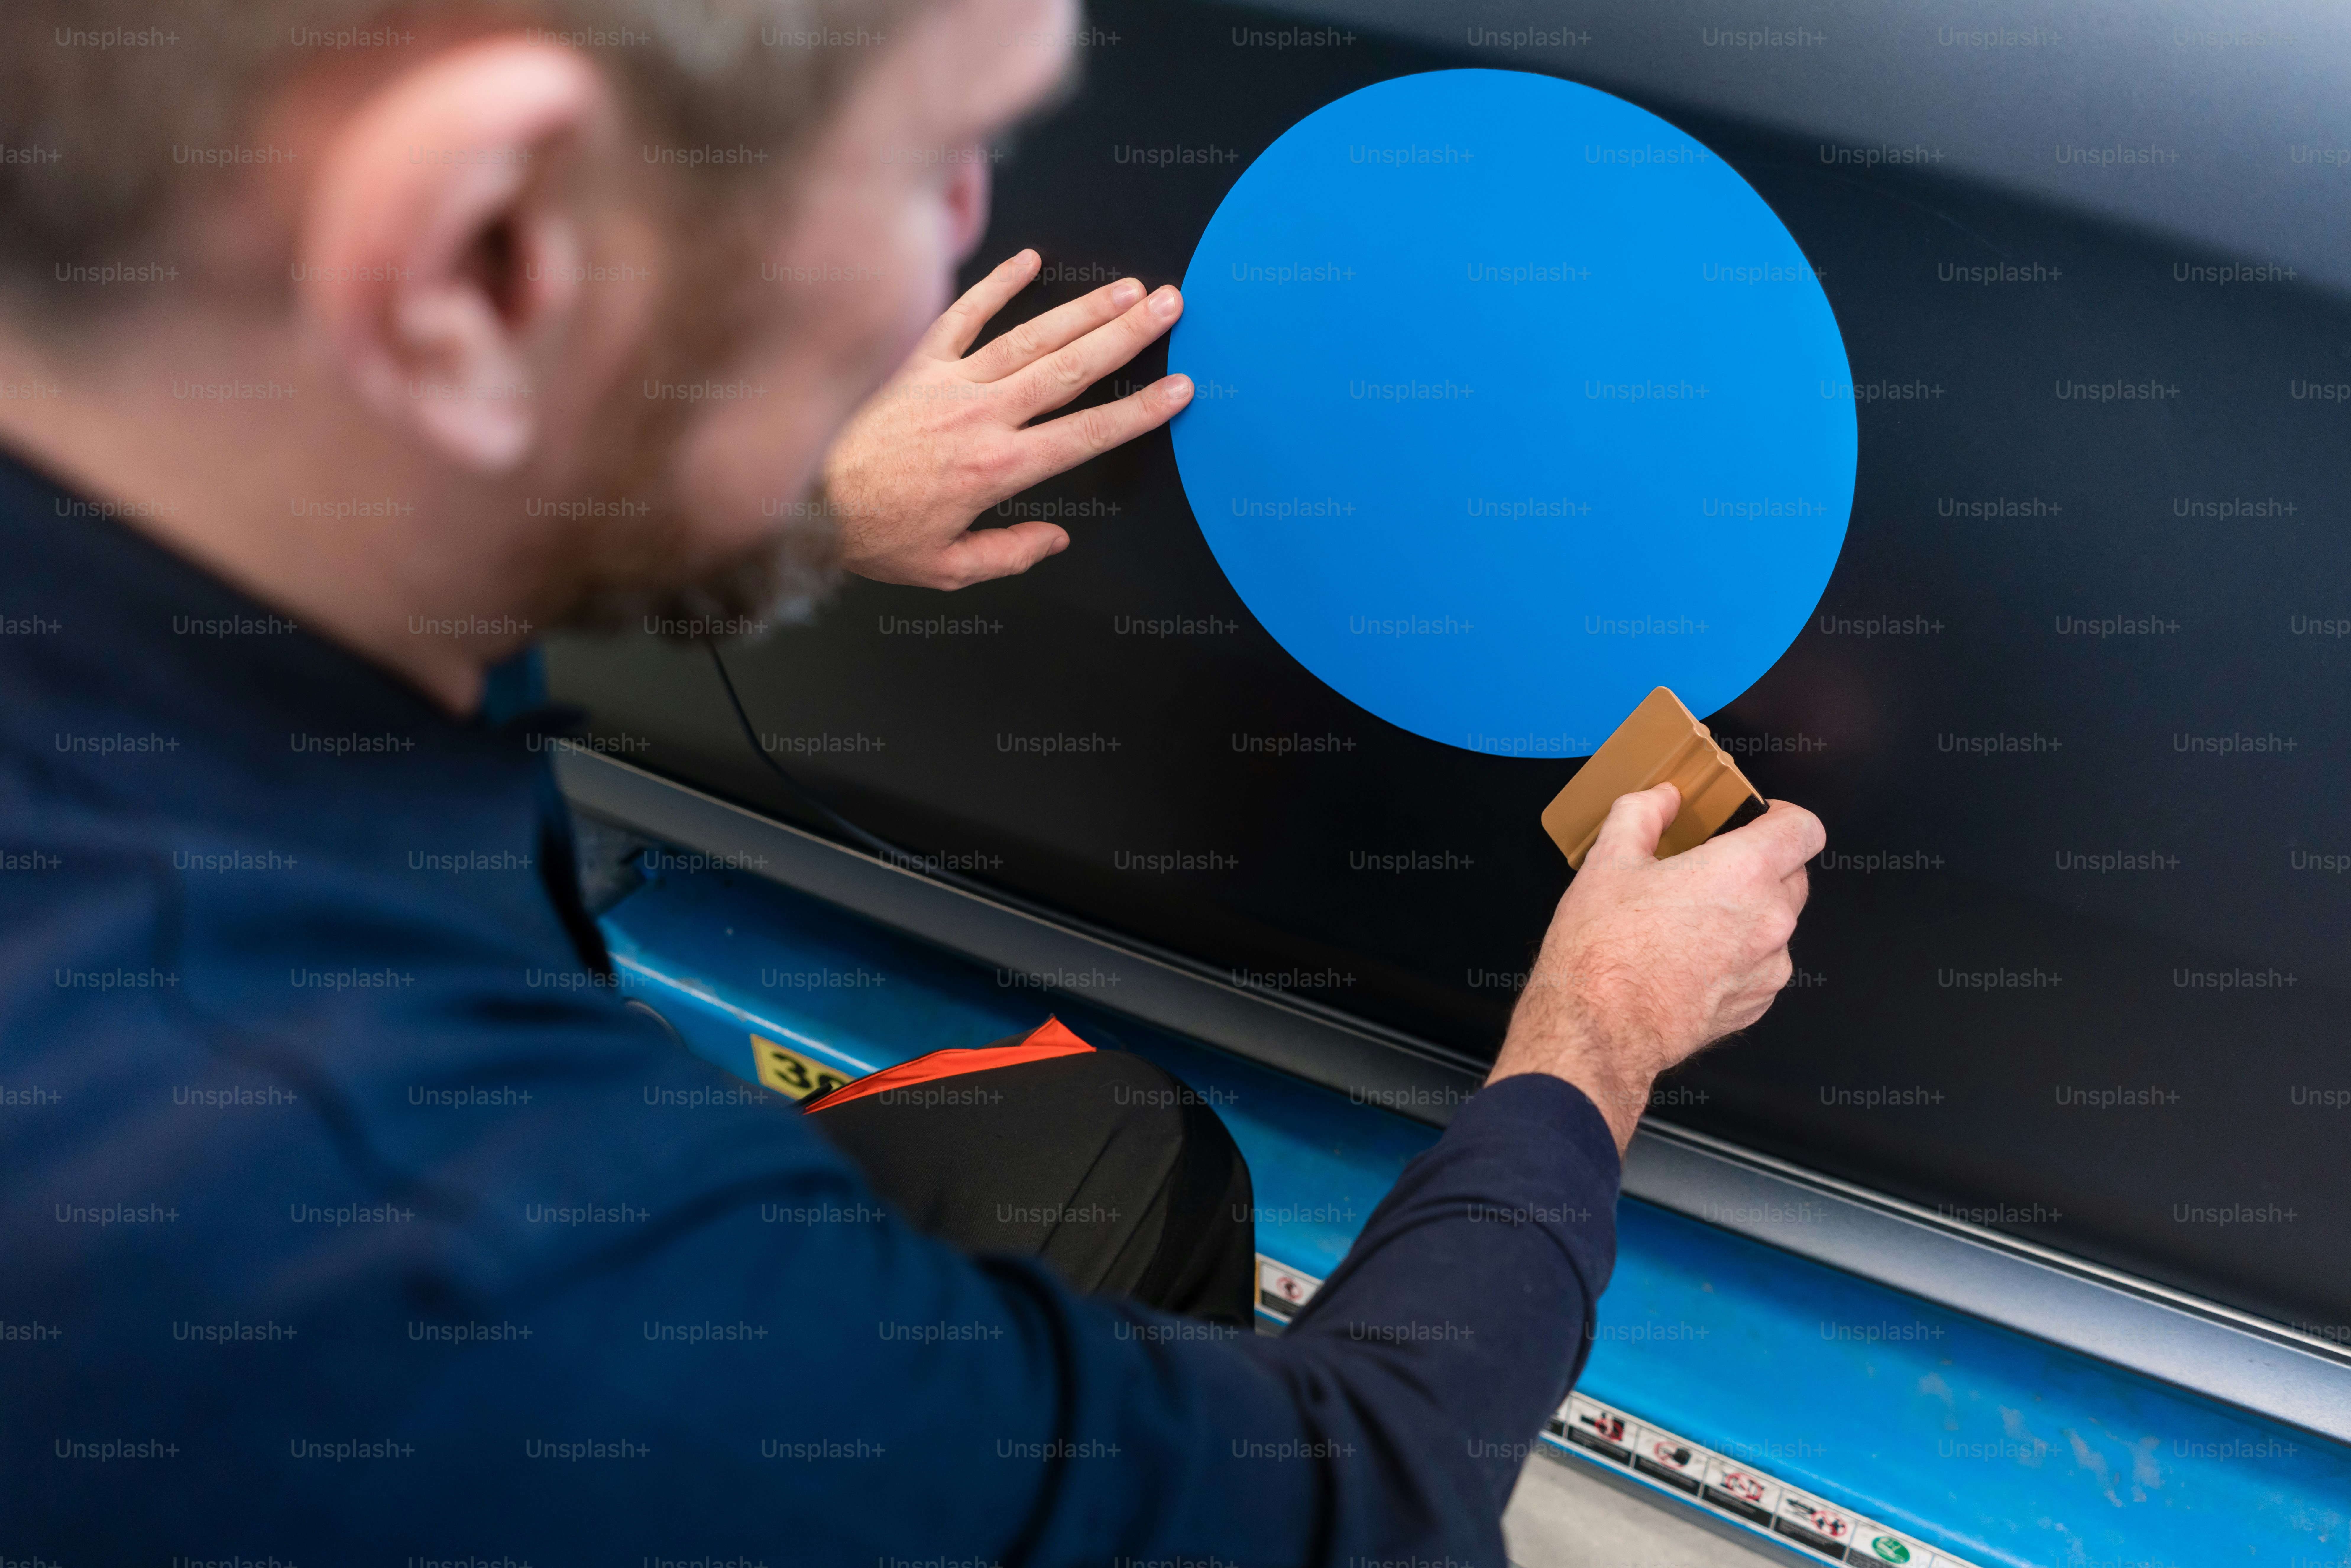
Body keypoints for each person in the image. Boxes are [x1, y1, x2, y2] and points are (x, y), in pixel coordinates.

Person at [0, 0, 1825, 1560]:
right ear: (483, 243)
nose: (967, 224)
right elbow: (1361, 1502)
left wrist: (757, 507)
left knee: (1113, 1153)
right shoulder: (489, 1249)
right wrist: (1589, 1047)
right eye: (927, 162)